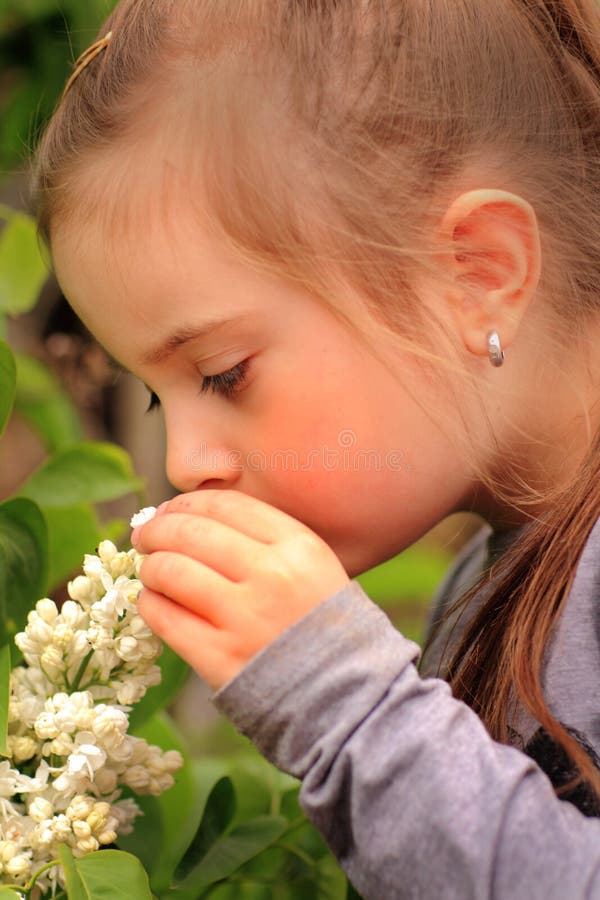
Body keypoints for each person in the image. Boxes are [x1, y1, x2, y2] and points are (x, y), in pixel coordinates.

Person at [31, 1, 600, 896]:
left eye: (221, 373)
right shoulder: (480, 593)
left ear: (479, 276)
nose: (185, 463)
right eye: (154, 392)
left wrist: (350, 712)